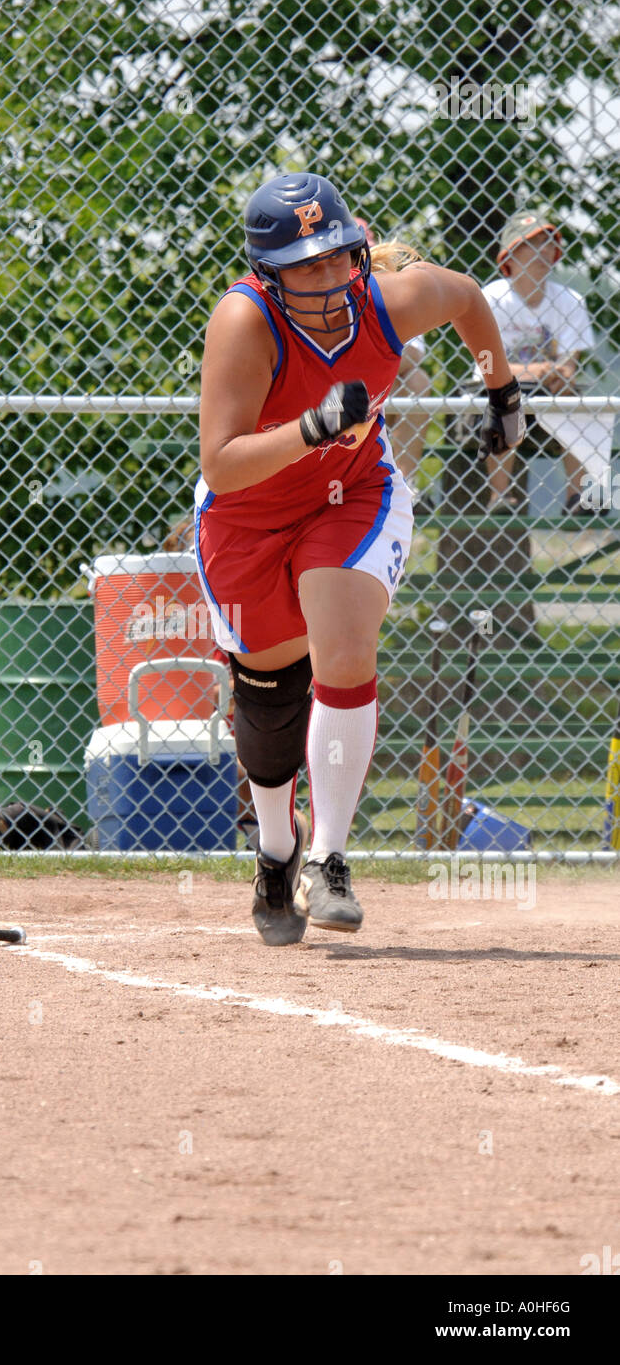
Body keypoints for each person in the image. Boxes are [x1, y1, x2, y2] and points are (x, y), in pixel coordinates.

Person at [194, 171, 523, 946]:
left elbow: (471, 298)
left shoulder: (388, 301)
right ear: (267, 273)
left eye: (339, 255)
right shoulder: (245, 322)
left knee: (343, 649)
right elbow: (223, 464)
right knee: (269, 698)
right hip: (247, 518)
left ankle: (331, 857)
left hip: (352, 497)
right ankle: (278, 852)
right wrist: (311, 426)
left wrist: (501, 391)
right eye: (305, 265)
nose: (329, 275)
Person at [477, 209, 603, 514]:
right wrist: (539, 370)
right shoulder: (492, 297)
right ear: (510, 255)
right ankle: (501, 497)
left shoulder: (570, 300)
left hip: (551, 392)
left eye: (548, 243)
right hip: (502, 388)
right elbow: (488, 368)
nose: (543, 251)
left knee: (574, 399)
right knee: (502, 397)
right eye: (531, 244)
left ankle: (578, 497)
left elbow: (569, 366)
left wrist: (557, 373)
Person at [355, 218, 433, 498]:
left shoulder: (394, 295)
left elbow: (413, 355)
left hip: (385, 381)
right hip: (341, 386)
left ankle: (401, 481)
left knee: (419, 380)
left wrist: (377, 357)